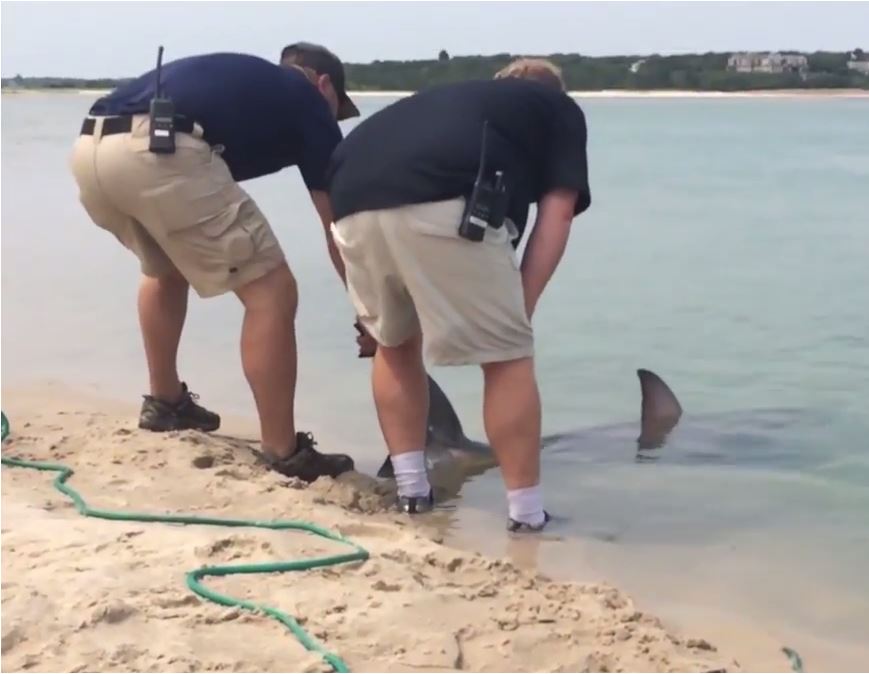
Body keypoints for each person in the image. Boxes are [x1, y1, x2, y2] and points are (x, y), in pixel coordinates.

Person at [69, 44, 360, 482]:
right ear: (325, 85)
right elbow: (338, 227)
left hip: (92, 148)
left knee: (164, 269)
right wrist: (369, 311)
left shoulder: (251, 86)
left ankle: (165, 403)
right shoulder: (307, 100)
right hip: (162, 148)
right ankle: (284, 451)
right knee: (272, 291)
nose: (332, 119)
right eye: (337, 108)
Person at [326, 58, 591, 531]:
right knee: (508, 356)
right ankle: (527, 516)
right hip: (441, 194)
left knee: (394, 342)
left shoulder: (454, 101)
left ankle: (412, 493)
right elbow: (559, 214)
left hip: (349, 196)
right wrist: (521, 308)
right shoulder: (559, 108)